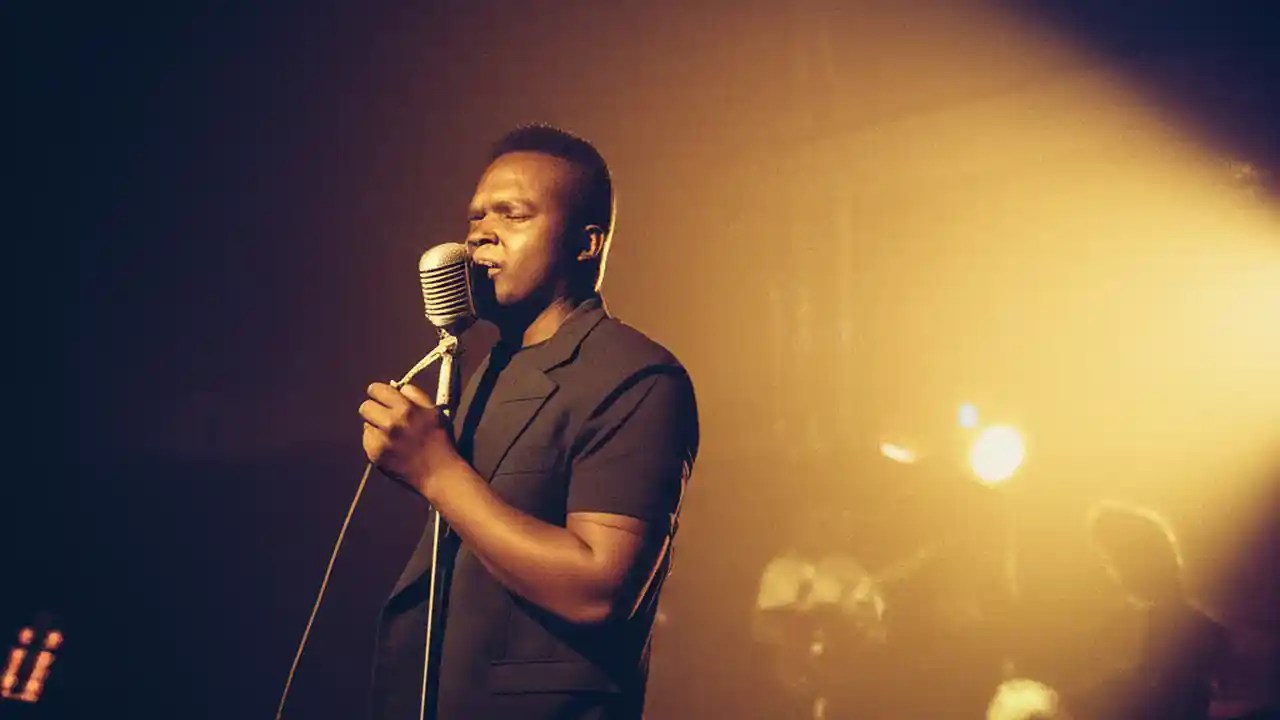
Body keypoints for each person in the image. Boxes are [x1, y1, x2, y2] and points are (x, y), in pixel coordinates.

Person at [359, 124, 699, 720]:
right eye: (475, 218)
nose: (480, 234)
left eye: (512, 215)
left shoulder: (637, 375)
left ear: (586, 243)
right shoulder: (488, 370)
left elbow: (598, 590)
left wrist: (436, 471)